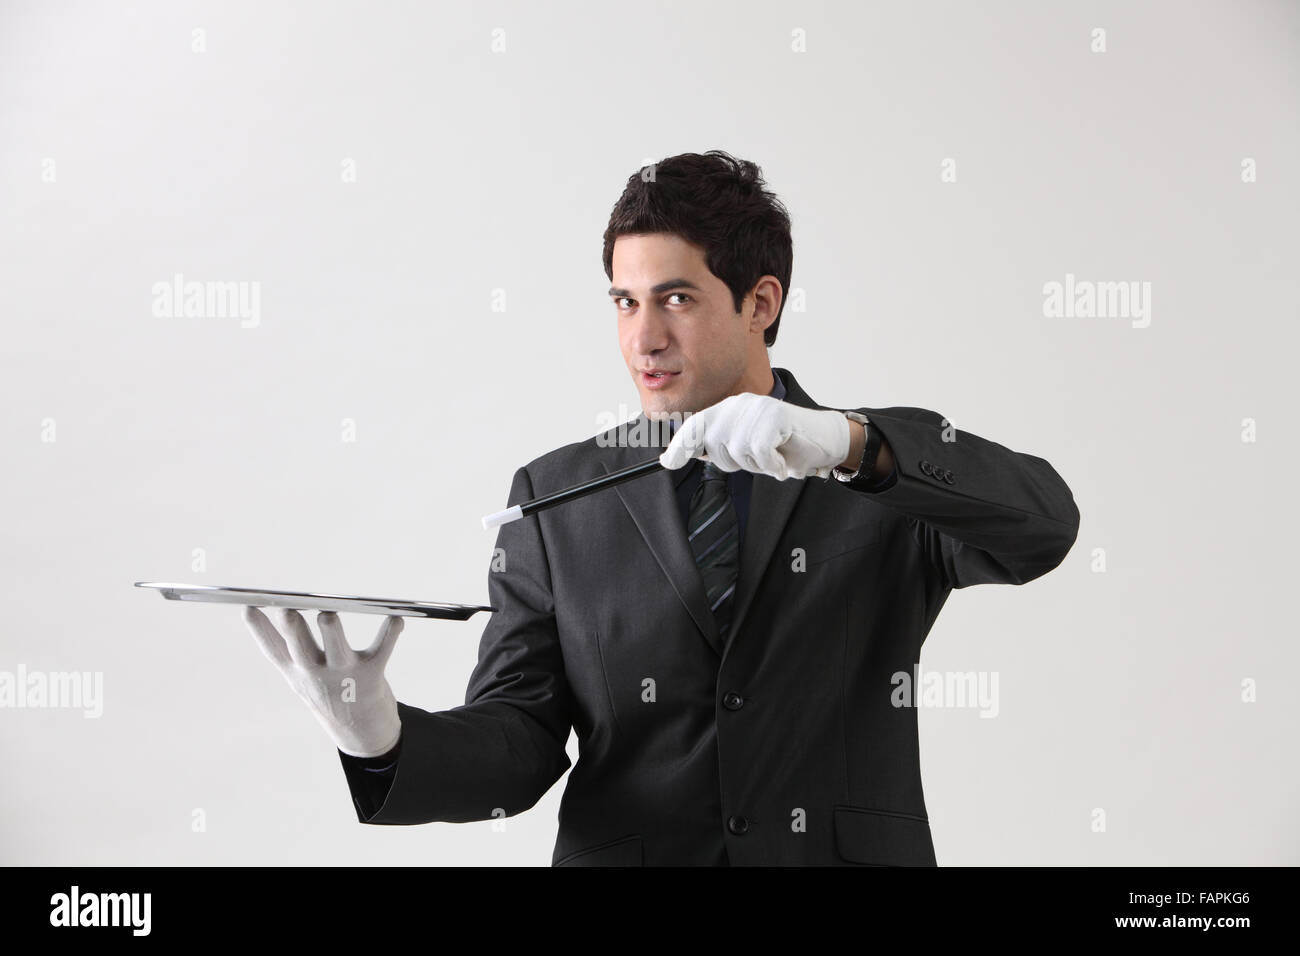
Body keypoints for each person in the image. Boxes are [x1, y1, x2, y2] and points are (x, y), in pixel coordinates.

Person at [244, 150, 1080, 866]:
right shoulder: (553, 496)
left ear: (760, 303)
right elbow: (521, 741)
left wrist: (852, 446)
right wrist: (382, 739)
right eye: (623, 301)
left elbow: (1042, 525)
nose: (643, 337)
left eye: (675, 298)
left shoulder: (873, 473)